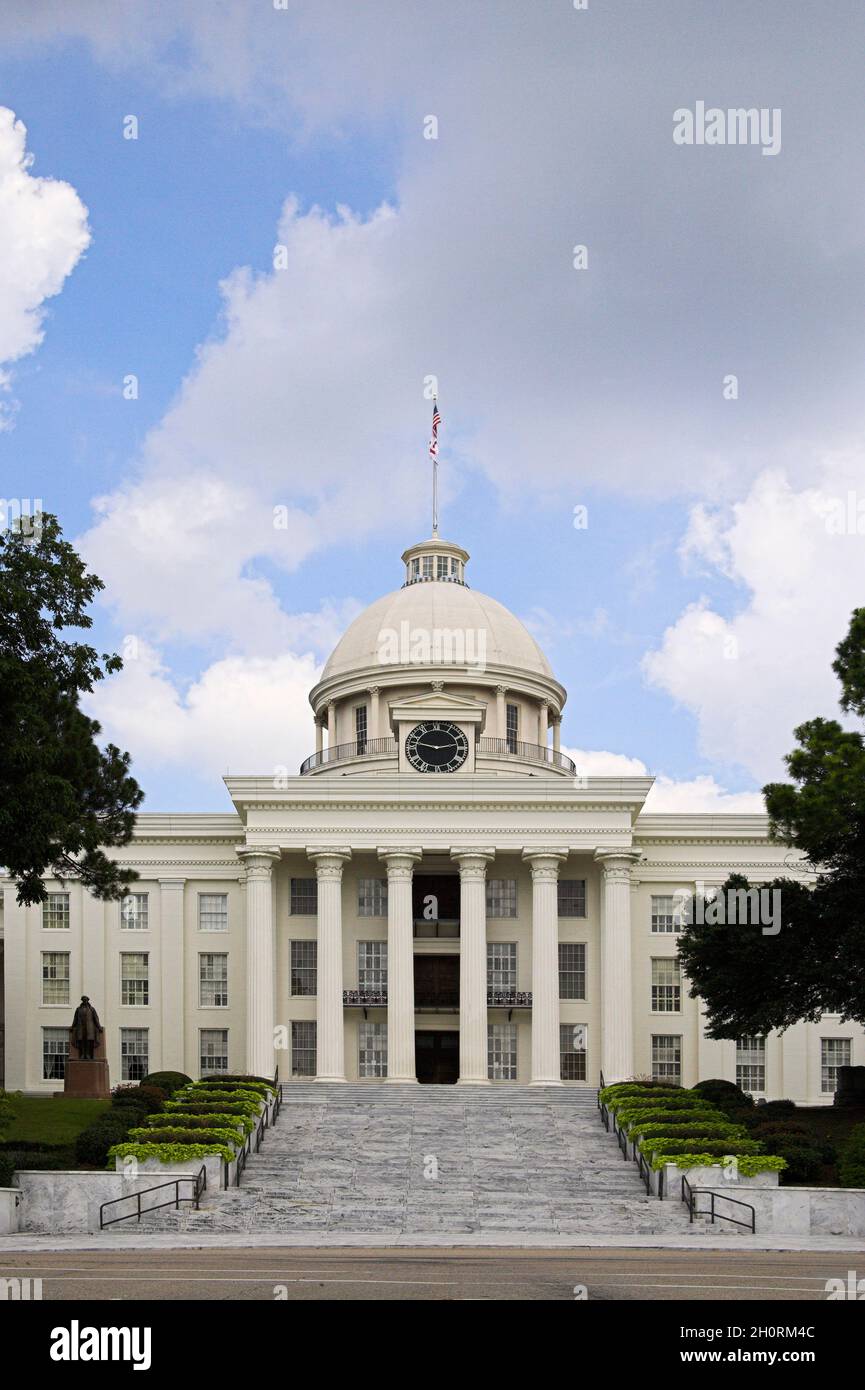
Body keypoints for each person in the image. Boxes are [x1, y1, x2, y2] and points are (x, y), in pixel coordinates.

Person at [71, 996, 102, 1061]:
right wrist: (72, 1026)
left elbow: (96, 1018)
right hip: (81, 1027)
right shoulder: (78, 1009)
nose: (85, 1001)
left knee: (88, 1041)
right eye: (83, 1000)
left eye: (86, 1000)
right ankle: (82, 1054)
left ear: (88, 1000)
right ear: (82, 1001)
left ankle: (88, 1054)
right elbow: (75, 1019)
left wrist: (99, 1027)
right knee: (81, 1041)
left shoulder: (92, 1009)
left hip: (89, 1028)